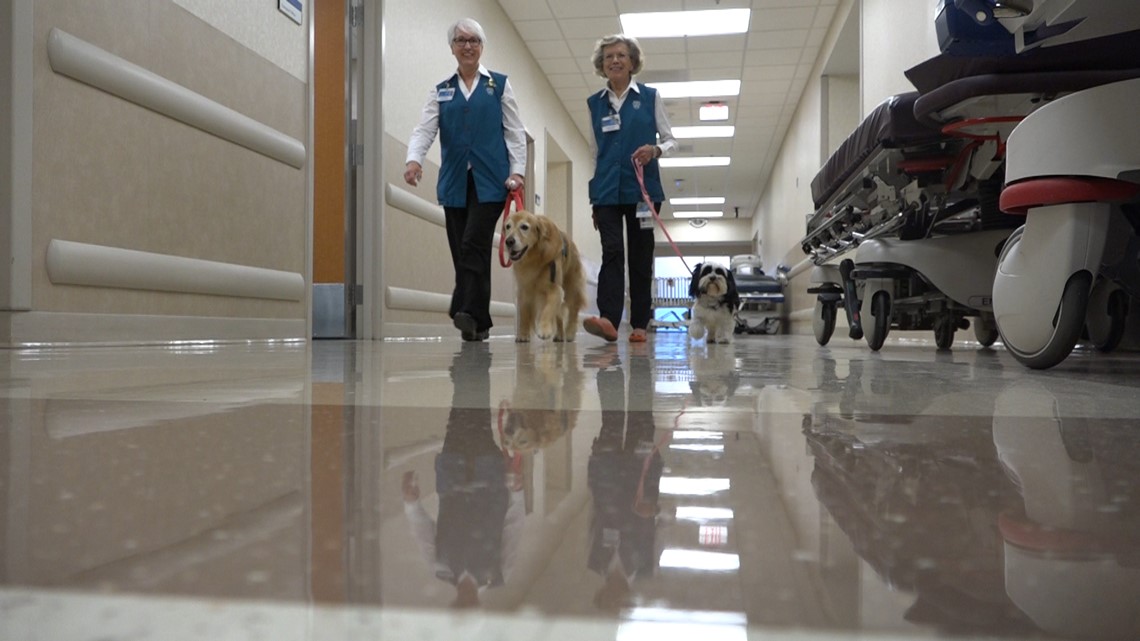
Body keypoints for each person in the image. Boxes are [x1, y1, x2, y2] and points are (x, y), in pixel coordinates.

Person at [404, 18, 527, 342]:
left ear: (481, 46)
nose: (468, 45)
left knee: (473, 242)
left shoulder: (498, 85)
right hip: (455, 181)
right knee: (464, 250)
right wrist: (414, 160)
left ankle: (465, 309)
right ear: (452, 48)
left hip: (491, 181)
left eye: (473, 40)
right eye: (461, 40)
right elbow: (425, 129)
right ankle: (479, 324)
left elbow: (514, 132)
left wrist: (518, 171)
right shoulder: (441, 90)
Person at [401, 343, 526, 608]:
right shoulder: (498, 574)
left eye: (459, 606)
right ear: (477, 606)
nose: (465, 602)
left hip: (453, 474)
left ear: (453, 604)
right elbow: (513, 527)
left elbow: (423, 532)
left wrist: (411, 503)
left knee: (458, 417)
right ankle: (475, 363)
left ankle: (468, 369)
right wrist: (516, 490)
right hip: (488, 475)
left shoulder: (441, 569)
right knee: (477, 417)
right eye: (469, 607)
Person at [582, 35, 677, 343]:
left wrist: (655, 150)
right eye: (608, 56)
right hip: (607, 190)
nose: (615, 61)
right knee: (612, 251)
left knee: (639, 255)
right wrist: (594, 197)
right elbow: (595, 153)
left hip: (642, 191)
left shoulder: (649, 97)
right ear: (602, 64)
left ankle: (639, 323)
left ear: (632, 62)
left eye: (621, 55)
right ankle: (608, 319)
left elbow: (671, 140)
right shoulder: (594, 104)